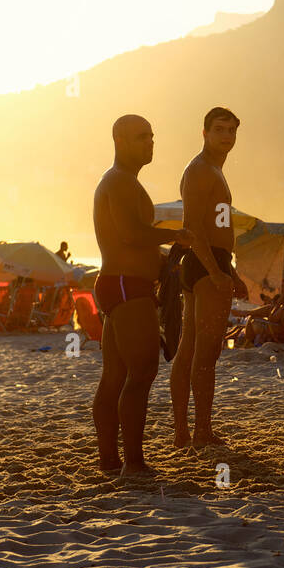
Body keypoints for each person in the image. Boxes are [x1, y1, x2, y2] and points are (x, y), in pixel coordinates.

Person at [92, 115, 192, 476]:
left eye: (151, 136)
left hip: (118, 284)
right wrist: (177, 235)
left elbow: (132, 241)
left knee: (116, 376)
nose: (149, 143)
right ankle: (133, 463)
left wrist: (165, 258)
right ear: (118, 139)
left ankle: (109, 460)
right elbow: (131, 234)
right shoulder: (119, 182)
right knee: (142, 371)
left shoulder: (123, 182)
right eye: (140, 137)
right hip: (125, 285)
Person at [170, 107, 247, 450]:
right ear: (204, 133)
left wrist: (229, 269)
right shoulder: (200, 170)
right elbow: (193, 228)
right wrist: (216, 271)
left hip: (209, 263)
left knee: (189, 349)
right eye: (220, 130)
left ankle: (184, 433)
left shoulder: (213, 169)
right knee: (205, 353)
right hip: (204, 264)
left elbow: (216, 228)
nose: (227, 137)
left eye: (232, 130)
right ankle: (199, 432)